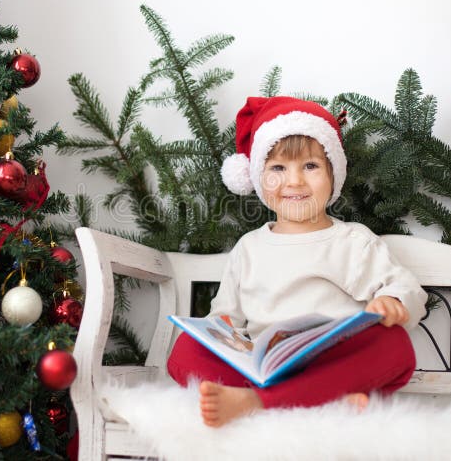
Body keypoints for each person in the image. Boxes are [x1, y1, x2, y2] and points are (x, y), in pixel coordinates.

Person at [166, 96, 428, 427]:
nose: (294, 182)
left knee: (394, 345)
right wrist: (223, 331)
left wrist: (393, 301)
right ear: (258, 179)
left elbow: (407, 288)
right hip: (263, 363)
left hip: (330, 360)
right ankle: (308, 400)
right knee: (185, 350)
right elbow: (224, 317)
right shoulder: (249, 248)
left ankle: (260, 403)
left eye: (310, 166)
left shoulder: (352, 241)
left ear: (334, 175)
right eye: (278, 168)